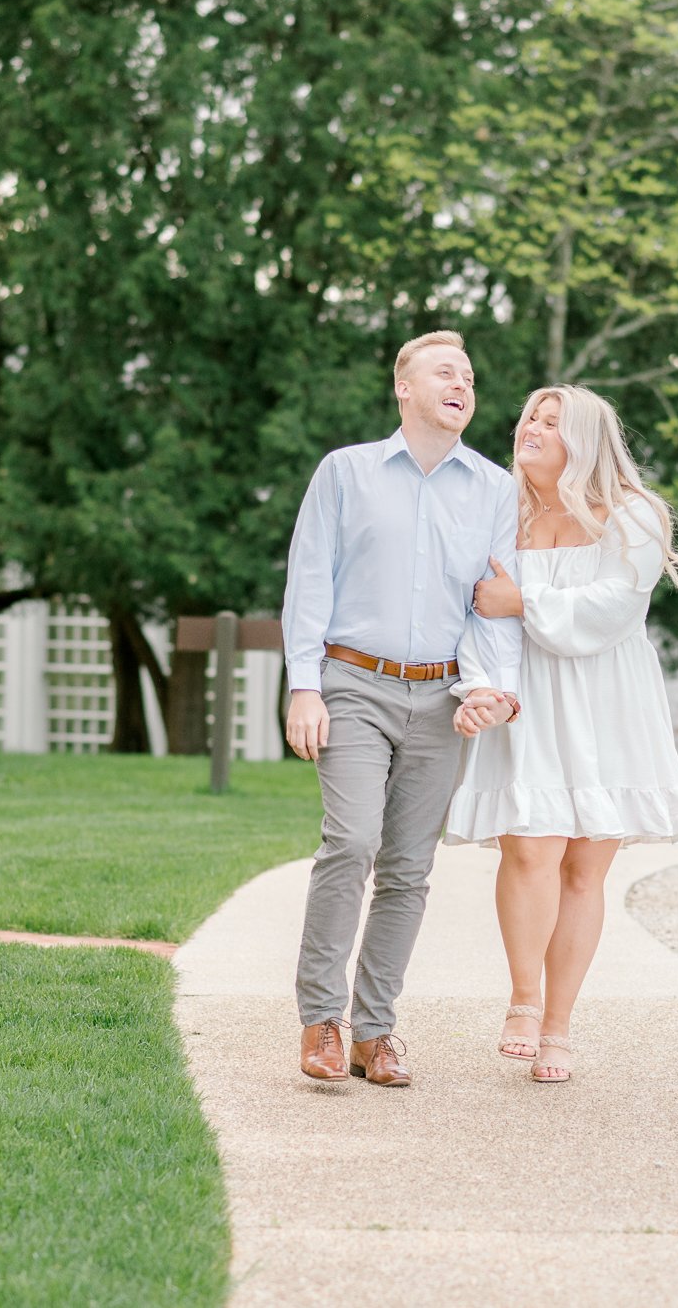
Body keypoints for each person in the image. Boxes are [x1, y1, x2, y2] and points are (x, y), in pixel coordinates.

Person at [443, 384, 678, 1084]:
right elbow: (471, 612)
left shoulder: (634, 515)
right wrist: (481, 687)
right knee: (528, 845)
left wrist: (523, 597)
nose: (532, 425)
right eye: (530, 414)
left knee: (583, 868)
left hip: (607, 700)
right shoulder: (496, 511)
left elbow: (614, 609)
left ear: (585, 440)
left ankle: (561, 1024)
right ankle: (524, 1000)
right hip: (525, 693)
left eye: (552, 421)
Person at [282, 331, 523, 1088]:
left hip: (442, 696)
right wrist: (304, 683)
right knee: (352, 841)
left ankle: (374, 1032)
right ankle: (322, 1019)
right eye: (445, 371)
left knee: (409, 870)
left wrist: (489, 683)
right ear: (404, 388)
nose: (462, 383)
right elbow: (309, 577)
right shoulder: (346, 472)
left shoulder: (493, 489)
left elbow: (490, 604)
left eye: (471, 376)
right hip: (353, 682)